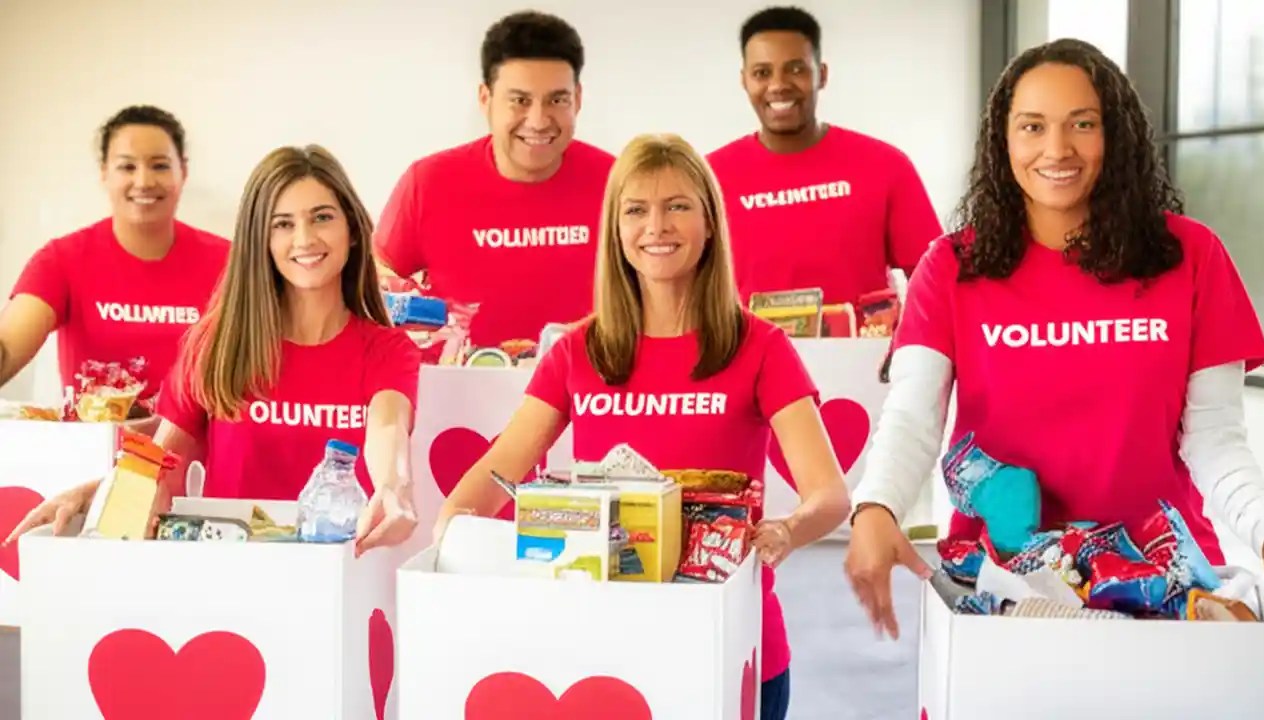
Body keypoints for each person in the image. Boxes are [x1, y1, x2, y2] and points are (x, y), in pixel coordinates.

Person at [844, 38, 1264, 640]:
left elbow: (1215, 440)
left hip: (1168, 587)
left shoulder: (1192, 257)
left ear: (1116, 135)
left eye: (1083, 123)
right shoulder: (950, 267)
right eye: (1032, 126)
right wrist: (875, 505)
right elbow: (913, 418)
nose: (1057, 149)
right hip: (1006, 592)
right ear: (1003, 141)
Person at [434, 133, 852, 719]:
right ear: (616, 228)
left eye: (677, 206)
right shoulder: (578, 351)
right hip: (607, 652)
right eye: (636, 210)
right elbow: (483, 486)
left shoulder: (761, 346)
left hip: (735, 645)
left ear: (710, 222)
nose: (656, 226)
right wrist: (454, 547)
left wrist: (786, 530)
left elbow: (831, 497)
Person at [6, 145, 421, 557]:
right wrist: (94, 494)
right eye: (282, 224)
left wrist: (393, 485)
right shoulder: (218, 346)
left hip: (341, 575)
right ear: (260, 240)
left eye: (322, 217)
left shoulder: (387, 351)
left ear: (352, 229)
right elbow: (159, 468)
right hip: (228, 575)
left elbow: (388, 428)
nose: (304, 239)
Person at [374, 10, 615, 348]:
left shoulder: (618, 183)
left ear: (577, 99)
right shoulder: (428, 183)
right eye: (520, 101)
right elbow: (373, 274)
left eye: (557, 100)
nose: (538, 121)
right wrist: (407, 306)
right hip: (455, 378)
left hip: (589, 379)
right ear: (485, 99)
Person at [0, 105, 230, 421]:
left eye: (160, 165)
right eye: (127, 167)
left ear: (183, 172)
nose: (144, 181)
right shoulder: (62, 259)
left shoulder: (230, 263)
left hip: (199, 449)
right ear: (105, 173)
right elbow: (8, 347)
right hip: (95, 449)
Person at [707, 6, 942, 311]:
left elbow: (939, 282)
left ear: (822, 75)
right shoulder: (709, 177)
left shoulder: (885, 166)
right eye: (762, 73)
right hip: (748, 343)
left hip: (865, 342)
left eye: (796, 69)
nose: (778, 85)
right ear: (744, 80)